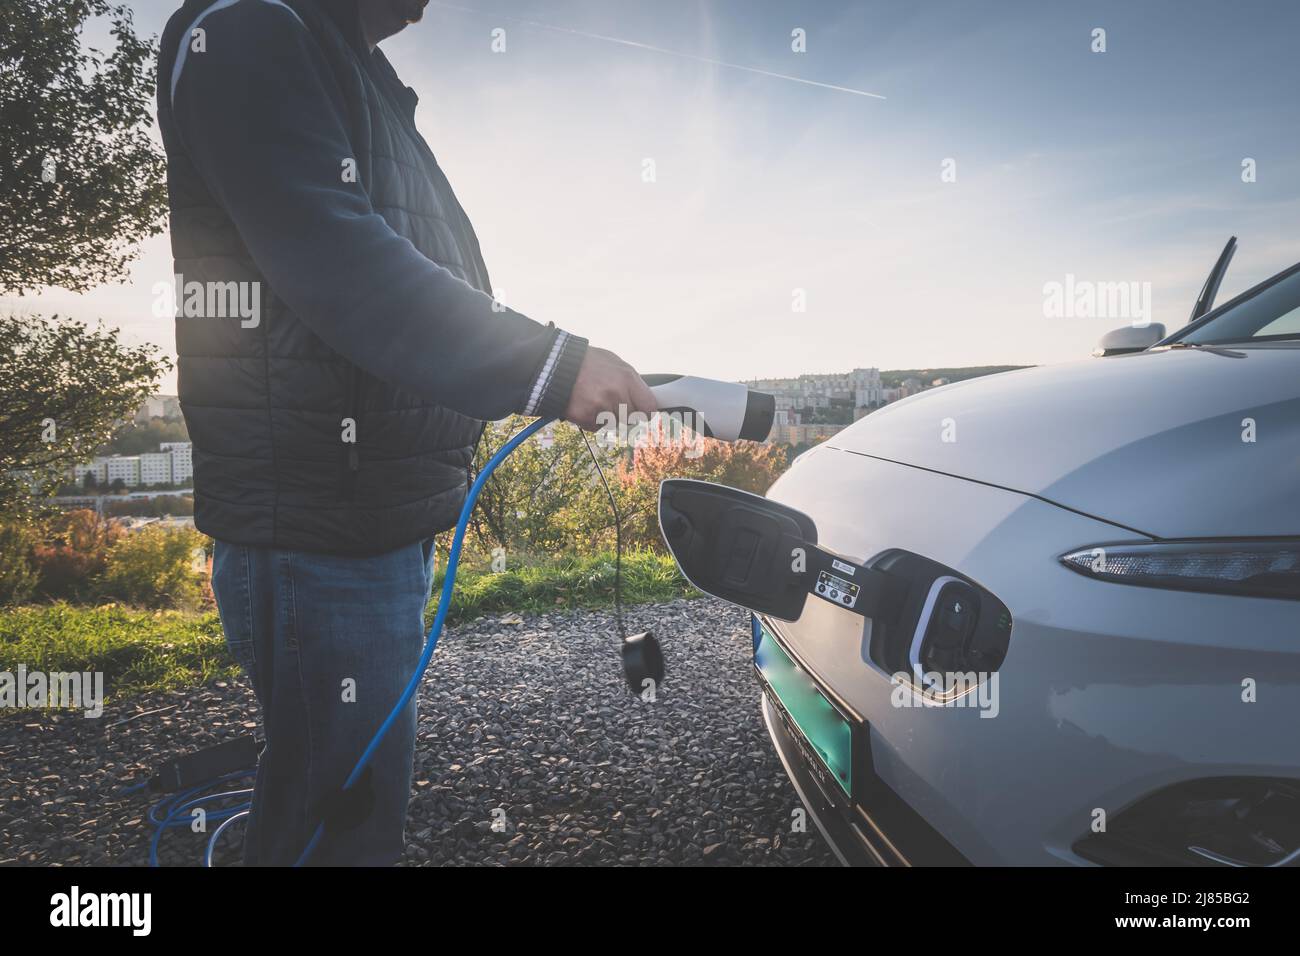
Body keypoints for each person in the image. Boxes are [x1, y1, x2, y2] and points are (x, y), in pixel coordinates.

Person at [156, 0, 657, 864]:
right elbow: (338, 259)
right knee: (340, 819)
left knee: (348, 791)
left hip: (366, 516)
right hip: (321, 527)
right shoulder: (245, 28)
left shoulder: (345, 65)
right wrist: (552, 366)